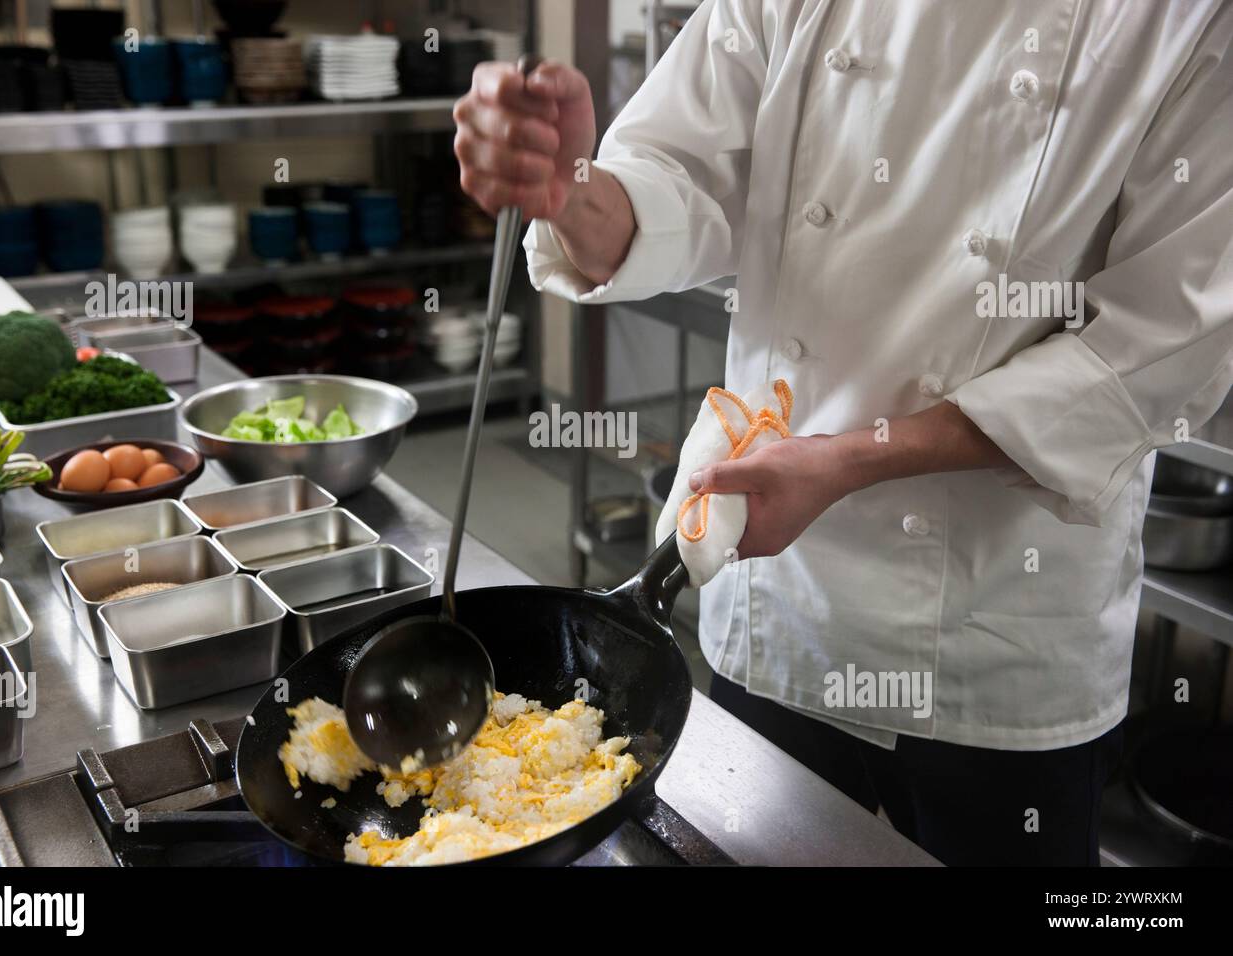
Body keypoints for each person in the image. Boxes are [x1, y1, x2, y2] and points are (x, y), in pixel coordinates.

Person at [452, 0, 1233, 865]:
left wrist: (851, 461)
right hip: (782, 596)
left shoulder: (1187, 19)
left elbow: (1162, 344)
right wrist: (572, 190)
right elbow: (674, 183)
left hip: (997, 630)